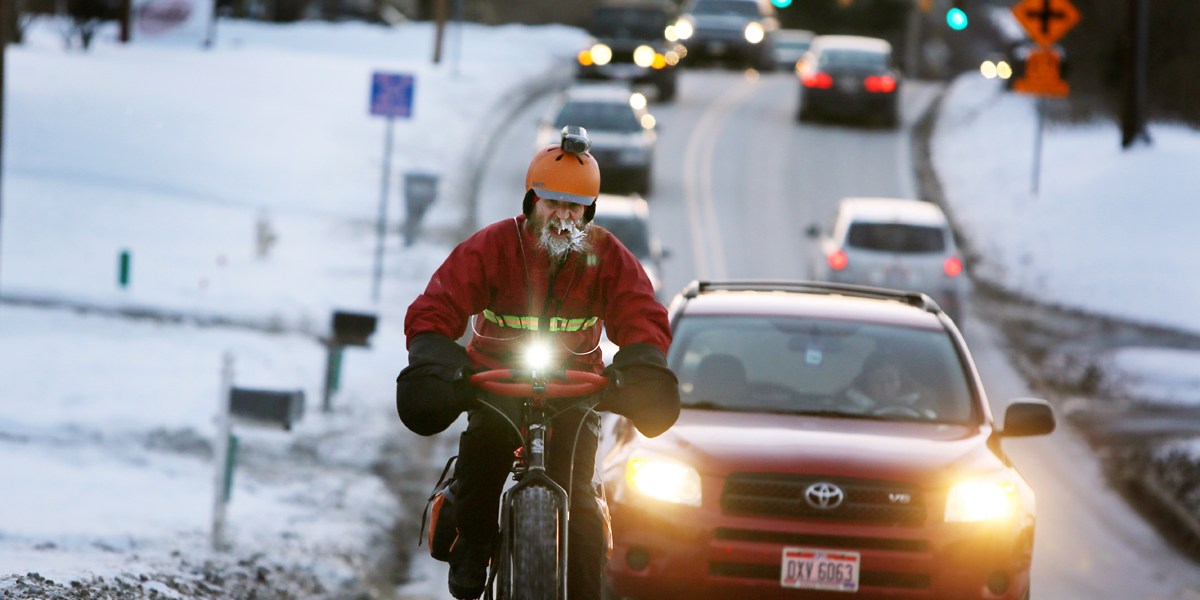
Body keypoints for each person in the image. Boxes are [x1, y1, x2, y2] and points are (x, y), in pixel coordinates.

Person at [395, 126, 681, 600]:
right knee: (481, 468)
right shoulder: (492, 246)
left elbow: (642, 314)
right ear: (532, 201)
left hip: (577, 393)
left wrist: (641, 361)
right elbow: (435, 306)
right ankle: (472, 551)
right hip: (496, 386)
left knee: (584, 512)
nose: (562, 216)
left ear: (588, 211)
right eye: (552, 203)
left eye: (574, 207)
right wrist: (436, 356)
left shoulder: (606, 254)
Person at [844, 350, 936, 418]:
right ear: (866, 384)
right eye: (877, 381)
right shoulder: (847, 413)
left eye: (891, 380)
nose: (885, 387)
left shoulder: (924, 412)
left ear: (901, 382)